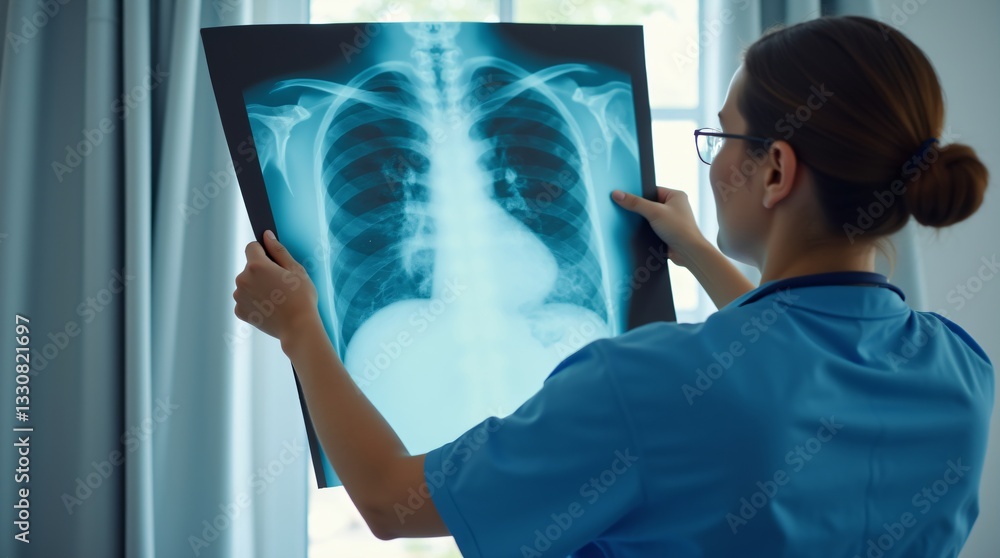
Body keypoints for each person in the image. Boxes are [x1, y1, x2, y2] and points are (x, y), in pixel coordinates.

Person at [232, 15, 993, 557]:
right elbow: (795, 365)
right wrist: (698, 253)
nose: (712, 163)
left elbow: (389, 500)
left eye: (722, 137)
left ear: (775, 171)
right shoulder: (959, 369)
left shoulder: (642, 383)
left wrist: (301, 328)